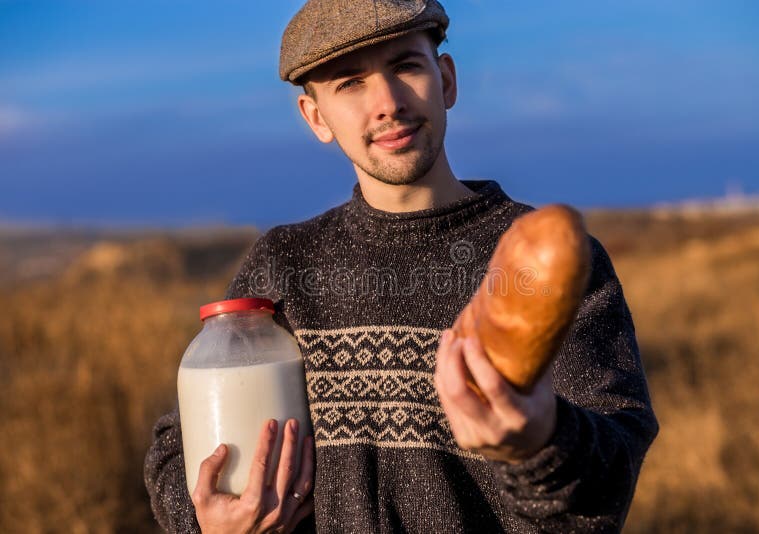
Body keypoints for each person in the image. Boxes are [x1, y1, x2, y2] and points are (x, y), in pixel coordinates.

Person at [143, 1, 659, 532]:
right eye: (350, 83)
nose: (387, 102)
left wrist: (542, 441)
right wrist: (206, 519)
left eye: (406, 66)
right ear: (316, 117)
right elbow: (181, 445)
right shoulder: (283, 267)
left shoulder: (545, 264)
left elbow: (612, 472)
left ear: (447, 80)